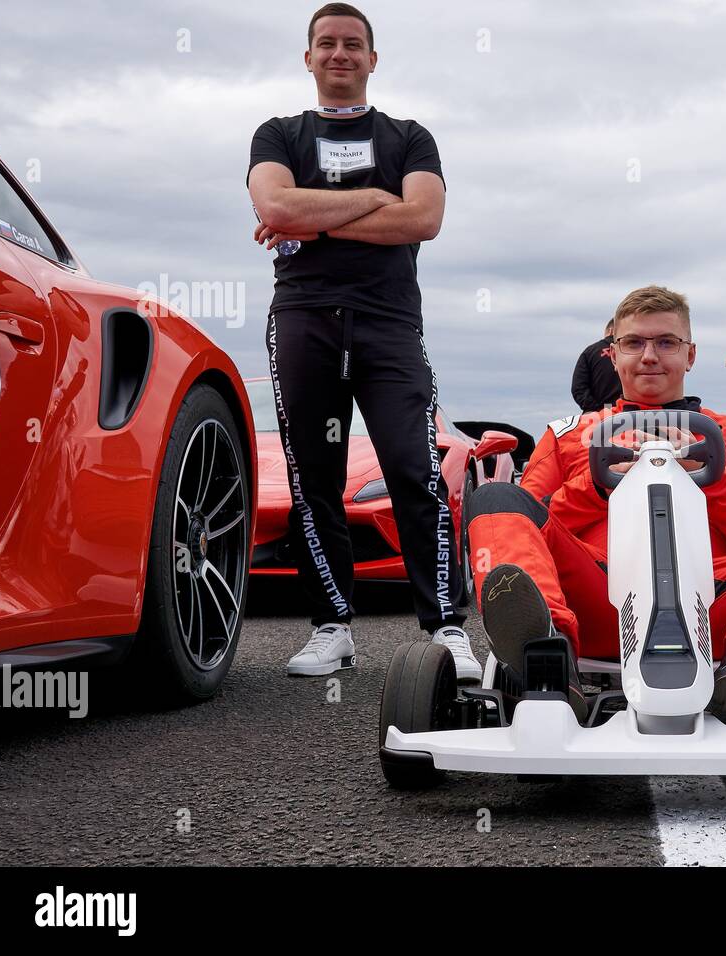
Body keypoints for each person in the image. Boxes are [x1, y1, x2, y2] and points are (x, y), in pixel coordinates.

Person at [465, 286, 726, 728]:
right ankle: (546, 650)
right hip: (595, 596)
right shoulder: (569, 434)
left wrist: (714, 479)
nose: (649, 356)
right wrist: (598, 482)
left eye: (666, 343)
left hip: (717, 599)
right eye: (634, 343)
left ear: (690, 355)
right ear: (612, 354)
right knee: (494, 499)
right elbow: (530, 519)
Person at [246, 3, 478, 680]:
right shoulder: (278, 134)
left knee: (414, 468)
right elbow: (277, 208)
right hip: (304, 319)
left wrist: (317, 216)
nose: (339, 53)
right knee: (314, 480)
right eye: (327, 43)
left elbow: (425, 218)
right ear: (309, 57)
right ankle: (331, 626)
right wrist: (379, 201)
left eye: (353, 44)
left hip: (389, 324)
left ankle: (445, 627)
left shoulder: (409, 137)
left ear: (372, 59)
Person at [570, 319, 622, 412]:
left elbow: (578, 388)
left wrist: (596, 409)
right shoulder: (633, 351)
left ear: (610, 331)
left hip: (602, 412)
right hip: (631, 412)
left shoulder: (590, 352)